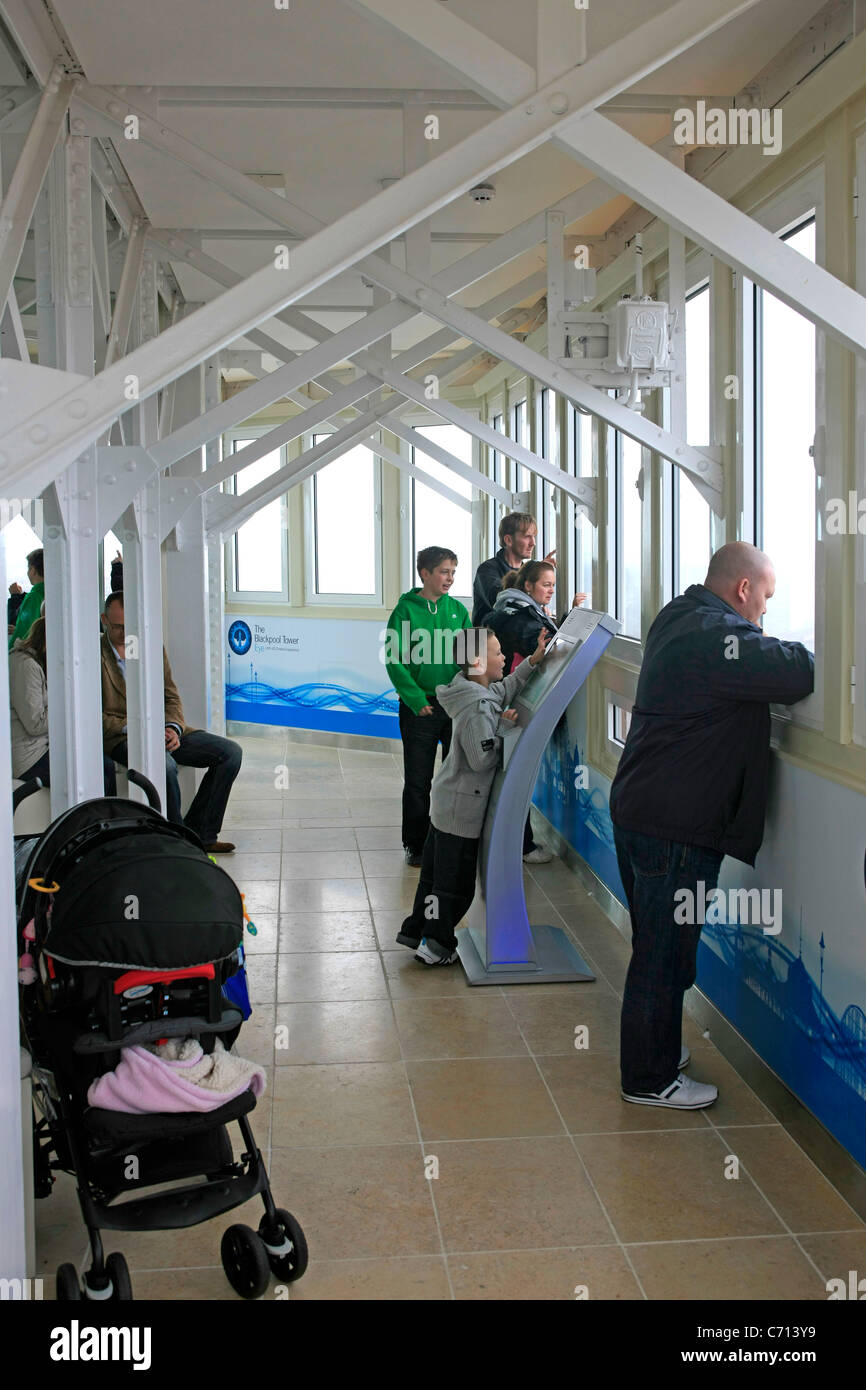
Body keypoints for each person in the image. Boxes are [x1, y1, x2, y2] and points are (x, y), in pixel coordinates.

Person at [608, 542, 814, 1110]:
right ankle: (648, 1079)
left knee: (660, 944)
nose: (766, 614)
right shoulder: (715, 638)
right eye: (766, 599)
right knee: (664, 951)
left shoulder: (678, 616)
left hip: (645, 811)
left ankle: (657, 1051)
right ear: (743, 589)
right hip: (674, 826)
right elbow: (795, 669)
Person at [396, 626, 550, 964]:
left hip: (448, 803)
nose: (505, 657)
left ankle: (415, 930)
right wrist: (506, 729)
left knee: (434, 876)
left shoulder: (470, 690)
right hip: (461, 809)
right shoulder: (478, 708)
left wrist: (534, 661)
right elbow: (482, 759)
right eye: (498, 653)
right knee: (455, 885)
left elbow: (503, 688)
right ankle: (436, 946)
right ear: (479, 661)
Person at [100, 591, 242, 852]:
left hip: (160, 728)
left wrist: (172, 727)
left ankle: (202, 833)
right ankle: (177, 840)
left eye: (128, 625)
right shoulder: (91, 655)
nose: (123, 632)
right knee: (164, 765)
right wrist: (136, 729)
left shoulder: (151, 646)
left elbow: (171, 696)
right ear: (104, 621)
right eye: (117, 626)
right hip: (122, 736)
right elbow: (93, 715)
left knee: (229, 752)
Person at [483, 559, 586, 862]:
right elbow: (546, 649)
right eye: (545, 584)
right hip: (516, 706)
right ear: (528, 586)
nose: (550, 590)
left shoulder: (510, 609)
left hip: (504, 702)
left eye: (553, 585)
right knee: (517, 774)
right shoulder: (524, 618)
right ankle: (522, 846)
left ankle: (511, 842)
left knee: (510, 775)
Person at [385, 547, 472, 867]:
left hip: (455, 707)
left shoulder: (459, 610)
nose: (449, 578)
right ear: (425, 573)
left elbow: (473, 659)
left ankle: (451, 837)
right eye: (444, 571)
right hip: (419, 709)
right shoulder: (404, 612)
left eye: (453, 572)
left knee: (457, 777)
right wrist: (416, 700)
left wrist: (471, 698)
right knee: (419, 780)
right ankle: (416, 844)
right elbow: (394, 661)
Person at [9, 616, 117, 793]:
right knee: (96, 771)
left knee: (104, 765)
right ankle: (99, 818)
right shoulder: (26, 667)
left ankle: (108, 817)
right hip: (29, 756)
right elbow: (35, 724)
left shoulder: (31, 662)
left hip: (40, 748)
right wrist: (67, 701)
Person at [471, 512, 555, 624]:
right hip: (484, 639)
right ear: (508, 540)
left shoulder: (525, 572)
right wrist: (537, 576)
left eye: (533, 537)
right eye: (527, 537)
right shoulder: (486, 569)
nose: (533, 543)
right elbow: (504, 598)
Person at [8, 549, 44, 650]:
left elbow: (23, 632)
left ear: (33, 570)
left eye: (28, 568)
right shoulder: (49, 593)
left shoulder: (34, 596)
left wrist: (8, 655)